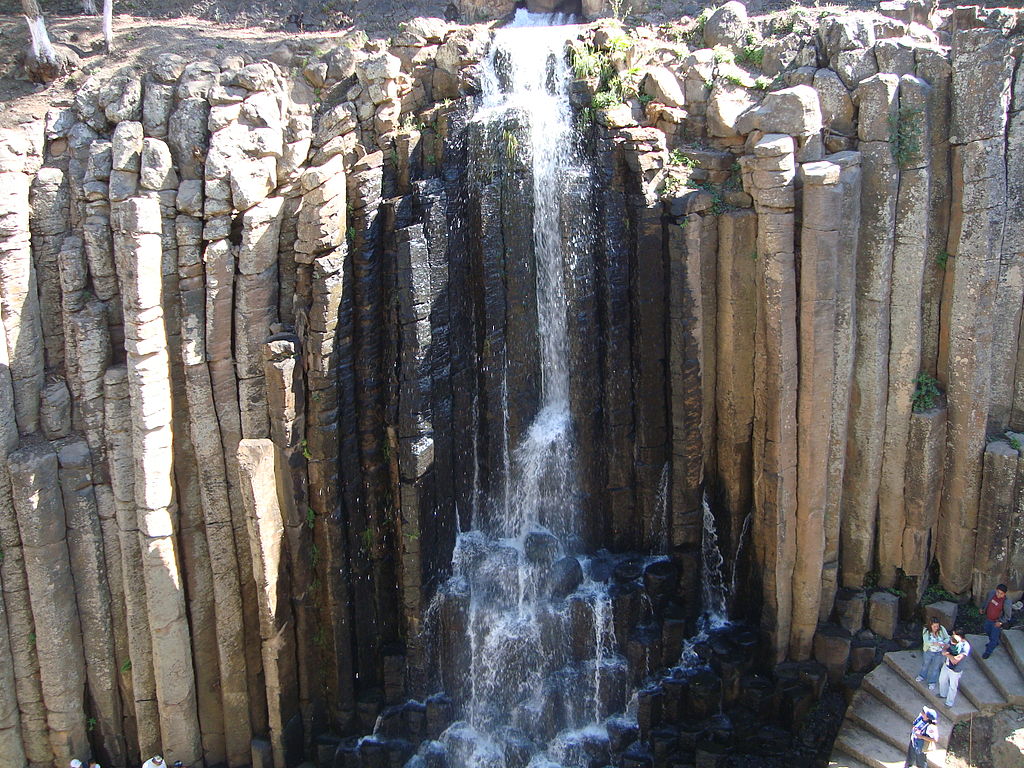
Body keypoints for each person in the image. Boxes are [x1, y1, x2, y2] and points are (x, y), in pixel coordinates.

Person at [938, 628, 970, 708]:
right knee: (942, 680)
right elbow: (946, 646)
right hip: (947, 665)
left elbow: (955, 660)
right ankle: (943, 694)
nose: (952, 636)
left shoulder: (965, 646)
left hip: (956, 670)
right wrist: (944, 649)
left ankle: (949, 703)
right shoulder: (953, 640)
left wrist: (946, 654)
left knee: (953, 686)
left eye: (954, 634)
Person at [915, 618, 949, 690]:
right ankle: (922, 676)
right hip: (929, 651)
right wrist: (934, 643)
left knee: (935, 668)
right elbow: (926, 641)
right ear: (930, 625)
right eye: (934, 626)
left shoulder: (942, 629)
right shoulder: (926, 630)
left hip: (939, 652)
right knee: (925, 664)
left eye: (937, 626)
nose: (936, 628)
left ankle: (932, 682)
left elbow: (947, 638)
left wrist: (943, 643)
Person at [982, 583, 1013, 659]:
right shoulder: (991, 594)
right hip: (988, 619)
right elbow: (986, 602)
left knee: (994, 637)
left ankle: (988, 651)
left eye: (1001, 593)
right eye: (997, 592)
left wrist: (1000, 622)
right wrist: (982, 608)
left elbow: (1008, 616)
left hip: (996, 622)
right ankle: (995, 643)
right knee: (987, 630)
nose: (998, 595)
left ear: (1004, 594)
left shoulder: (1006, 602)